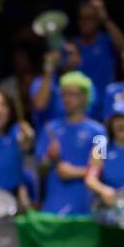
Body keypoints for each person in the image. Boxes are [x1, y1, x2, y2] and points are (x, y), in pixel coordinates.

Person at [34, 71, 105, 216]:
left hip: (85, 207)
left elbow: (103, 170)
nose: (67, 99)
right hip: (52, 207)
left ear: (85, 97)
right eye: (64, 94)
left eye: (72, 94)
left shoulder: (99, 133)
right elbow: (40, 170)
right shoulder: (50, 129)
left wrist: (74, 172)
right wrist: (48, 157)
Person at [70, 0, 124, 119]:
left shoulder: (106, 41)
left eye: (89, 19)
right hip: (82, 113)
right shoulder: (73, 46)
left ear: (97, 21)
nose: (84, 22)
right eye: (81, 18)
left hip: (106, 109)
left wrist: (106, 20)